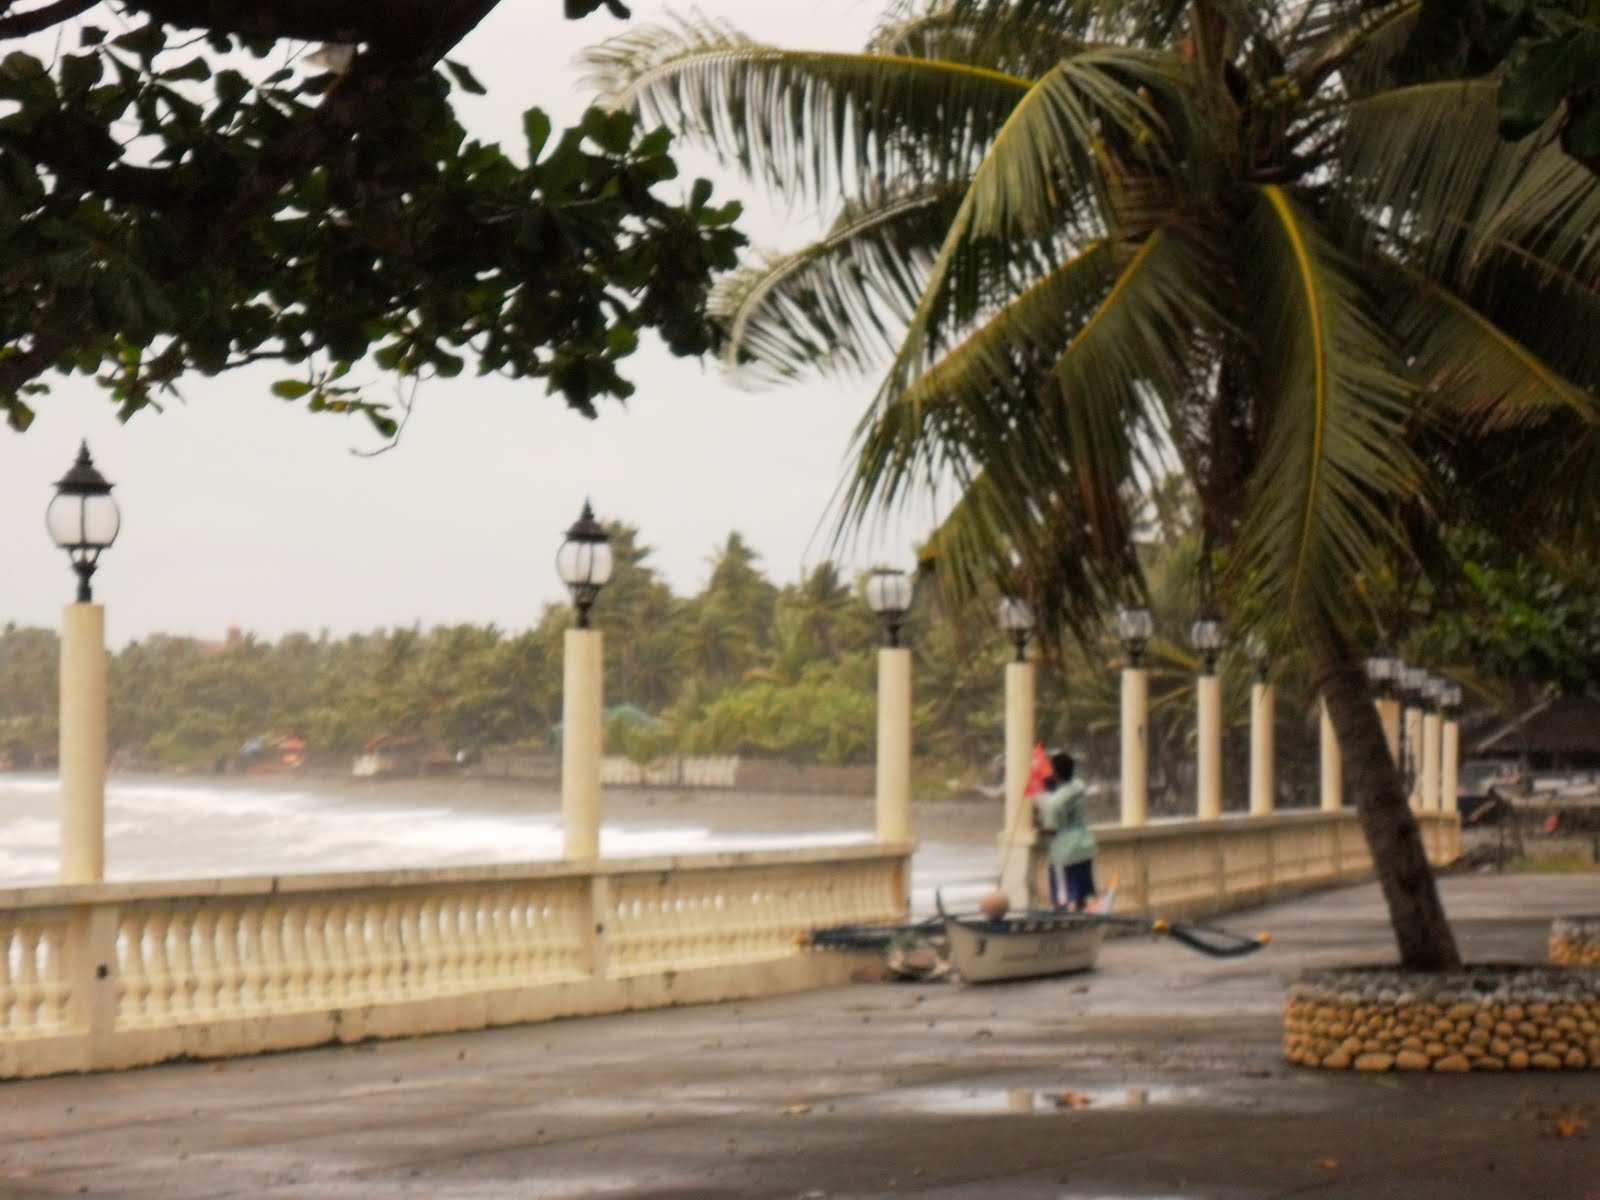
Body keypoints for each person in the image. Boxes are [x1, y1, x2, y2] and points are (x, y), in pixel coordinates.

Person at [1035, 750, 1097, 911]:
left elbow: (1051, 830)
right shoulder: (1079, 786)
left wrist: (1038, 826)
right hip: (1084, 846)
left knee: (1061, 897)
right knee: (1080, 895)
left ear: (1055, 773)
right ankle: (1081, 922)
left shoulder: (1055, 803)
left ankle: (1063, 924)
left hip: (1065, 853)